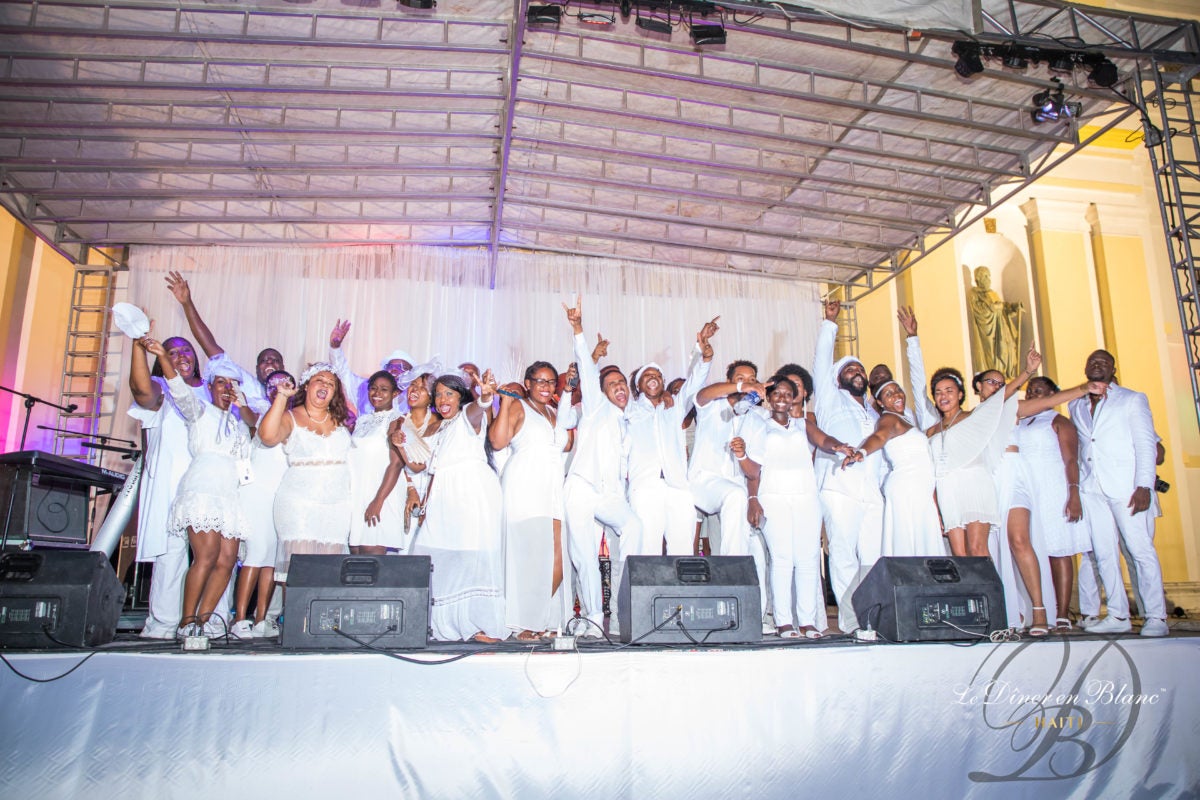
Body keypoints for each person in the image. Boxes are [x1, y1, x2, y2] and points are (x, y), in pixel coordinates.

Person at [143, 337, 254, 637]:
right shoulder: (200, 412)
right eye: (220, 383)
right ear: (209, 386)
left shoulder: (239, 424)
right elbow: (177, 388)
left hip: (228, 496)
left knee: (227, 560)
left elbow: (257, 435)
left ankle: (204, 621)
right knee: (205, 556)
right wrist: (160, 356)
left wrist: (244, 410)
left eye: (232, 384)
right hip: (203, 489)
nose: (226, 388)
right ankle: (185, 621)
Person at [733, 376, 853, 638]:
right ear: (768, 396)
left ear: (794, 398)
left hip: (807, 499)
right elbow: (753, 470)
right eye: (777, 393)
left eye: (788, 394)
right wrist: (753, 500)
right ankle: (784, 622)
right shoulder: (758, 425)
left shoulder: (802, 424)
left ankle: (807, 621)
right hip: (773, 497)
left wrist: (839, 446)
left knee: (809, 560)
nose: (782, 398)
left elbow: (824, 440)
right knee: (783, 559)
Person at [1068, 350, 1168, 637]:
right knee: (1104, 553)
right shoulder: (1076, 404)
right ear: (1085, 367)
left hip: (1127, 488)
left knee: (1140, 550)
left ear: (1113, 369)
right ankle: (1117, 614)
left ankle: (1156, 617)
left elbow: (1146, 445)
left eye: (1104, 362)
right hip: (1093, 488)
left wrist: (1144, 485)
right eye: (1092, 361)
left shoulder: (1132, 399)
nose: (1097, 365)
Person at [561, 296, 643, 638]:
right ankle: (594, 617)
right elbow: (585, 366)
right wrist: (579, 330)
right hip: (581, 487)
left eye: (622, 383)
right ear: (601, 391)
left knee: (634, 527)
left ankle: (625, 609)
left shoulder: (632, 419)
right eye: (611, 385)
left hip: (609, 493)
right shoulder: (596, 408)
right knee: (584, 556)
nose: (619, 388)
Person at [410, 372, 507, 643]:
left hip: (471, 495)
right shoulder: (439, 428)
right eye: (439, 394)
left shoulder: (467, 417)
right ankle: (440, 625)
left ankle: (476, 625)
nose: (443, 399)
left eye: (449, 393)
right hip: (443, 497)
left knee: (470, 559)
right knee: (431, 555)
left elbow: (479, 409)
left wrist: (486, 396)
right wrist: (426, 504)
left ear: (461, 397)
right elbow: (431, 469)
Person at [127, 330, 207, 639]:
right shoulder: (160, 388)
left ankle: (206, 622)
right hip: (172, 483)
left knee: (212, 557)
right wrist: (138, 348)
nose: (182, 355)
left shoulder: (209, 391)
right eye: (173, 352)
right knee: (171, 554)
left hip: (207, 484)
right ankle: (163, 625)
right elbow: (141, 390)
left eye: (187, 350)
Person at [925, 346, 1038, 560]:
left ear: (960, 394)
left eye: (949, 390)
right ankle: (972, 595)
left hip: (974, 484)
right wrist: (935, 507)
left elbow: (1001, 396)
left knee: (977, 550)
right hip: (947, 490)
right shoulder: (930, 431)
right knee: (960, 555)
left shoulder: (974, 416)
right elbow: (928, 471)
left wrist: (1027, 372)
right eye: (938, 392)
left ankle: (993, 595)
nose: (943, 396)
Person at [813, 299, 884, 633]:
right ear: (839, 379)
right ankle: (852, 622)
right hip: (839, 487)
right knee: (843, 556)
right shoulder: (830, 399)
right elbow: (820, 364)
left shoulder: (874, 411)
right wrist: (830, 324)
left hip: (872, 490)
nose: (857, 373)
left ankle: (872, 617)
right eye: (849, 371)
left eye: (860, 370)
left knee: (872, 556)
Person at [490, 362, 573, 640]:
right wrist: (504, 400)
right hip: (525, 484)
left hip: (552, 486)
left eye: (551, 382)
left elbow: (568, 443)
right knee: (528, 557)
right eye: (540, 381)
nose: (546, 386)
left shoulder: (553, 411)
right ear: (527, 383)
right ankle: (525, 622)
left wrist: (569, 395)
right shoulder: (518, 406)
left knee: (559, 556)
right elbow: (499, 442)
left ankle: (534, 614)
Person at [624, 318, 717, 557]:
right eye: (647, 375)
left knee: (683, 552)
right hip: (645, 487)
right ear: (638, 384)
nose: (653, 377)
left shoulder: (674, 406)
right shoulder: (629, 410)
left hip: (678, 486)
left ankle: (682, 596)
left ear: (664, 383)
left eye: (658, 375)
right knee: (648, 552)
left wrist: (703, 353)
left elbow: (693, 382)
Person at [688, 359, 770, 625]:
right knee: (735, 496)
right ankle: (731, 579)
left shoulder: (758, 420)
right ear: (731, 380)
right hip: (703, 483)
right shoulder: (714, 406)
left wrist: (743, 455)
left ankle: (753, 617)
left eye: (752, 378)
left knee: (755, 548)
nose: (748, 382)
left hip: (734, 491)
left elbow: (754, 471)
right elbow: (702, 394)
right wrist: (740, 386)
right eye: (741, 378)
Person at [258, 363, 353, 583]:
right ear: (308, 385)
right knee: (299, 567)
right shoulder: (290, 416)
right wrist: (281, 397)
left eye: (331, 383)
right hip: (299, 503)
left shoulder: (341, 419)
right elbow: (268, 436)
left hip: (337, 505)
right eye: (320, 380)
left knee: (330, 570)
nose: (325, 385)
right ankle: (295, 617)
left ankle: (322, 617)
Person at [844, 380, 945, 560]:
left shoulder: (906, 419)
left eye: (898, 390)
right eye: (889, 394)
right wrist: (862, 451)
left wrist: (935, 507)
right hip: (907, 488)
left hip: (919, 490)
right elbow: (879, 436)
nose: (897, 395)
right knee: (909, 546)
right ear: (881, 403)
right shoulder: (888, 419)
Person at [1019, 376, 1090, 630]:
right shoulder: (1019, 421)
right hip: (1028, 491)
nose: (1033, 394)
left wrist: (1073, 493)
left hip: (1053, 489)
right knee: (1034, 550)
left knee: (1059, 550)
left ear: (1053, 394)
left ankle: (1062, 612)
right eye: (1030, 390)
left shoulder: (1059, 421)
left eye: (1040, 390)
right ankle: (1040, 608)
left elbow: (1071, 460)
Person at [232, 369, 294, 639]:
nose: (278, 388)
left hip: (279, 498)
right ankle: (240, 619)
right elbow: (250, 420)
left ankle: (261, 619)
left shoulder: (294, 421)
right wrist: (243, 404)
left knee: (270, 559)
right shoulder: (263, 416)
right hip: (256, 495)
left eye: (285, 384)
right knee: (256, 555)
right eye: (273, 385)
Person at [165, 271, 276, 415]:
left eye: (276, 360)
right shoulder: (245, 383)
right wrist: (187, 304)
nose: (270, 363)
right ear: (256, 369)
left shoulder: (294, 400)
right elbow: (210, 346)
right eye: (264, 360)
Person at [348, 371, 405, 556]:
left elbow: (396, 464)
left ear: (395, 394)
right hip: (358, 492)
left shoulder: (396, 420)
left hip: (380, 492)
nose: (377, 393)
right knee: (355, 553)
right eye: (373, 388)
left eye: (384, 389)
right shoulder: (362, 420)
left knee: (370, 553)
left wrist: (378, 500)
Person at [390, 372, 441, 552]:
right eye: (412, 385)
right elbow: (395, 463)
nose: (414, 390)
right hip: (403, 490)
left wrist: (427, 500)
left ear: (431, 397)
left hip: (434, 491)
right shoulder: (398, 422)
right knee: (403, 552)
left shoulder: (443, 423)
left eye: (421, 387)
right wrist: (410, 490)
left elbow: (439, 465)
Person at [328, 318, 414, 414]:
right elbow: (343, 373)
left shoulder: (414, 399)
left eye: (402, 367)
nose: (394, 371)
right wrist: (335, 348)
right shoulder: (365, 389)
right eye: (390, 366)